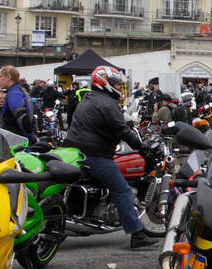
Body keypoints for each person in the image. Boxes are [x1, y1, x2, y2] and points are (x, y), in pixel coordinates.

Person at [64, 66, 158, 249]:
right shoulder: (108, 103)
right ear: (104, 83)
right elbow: (122, 130)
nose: (118, 87)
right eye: (115, 84)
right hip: (94, 154)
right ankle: (137, 234)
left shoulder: (88, 98)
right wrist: (142, 147)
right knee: (122, 189)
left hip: (74, 150)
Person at [0, 65, 37, 143]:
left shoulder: (14, 93)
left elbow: (23, 119)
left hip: (16, 142)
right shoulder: (17, 90)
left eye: (0, 77)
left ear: (8, 77)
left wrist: (32, 139)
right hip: (16, 140)